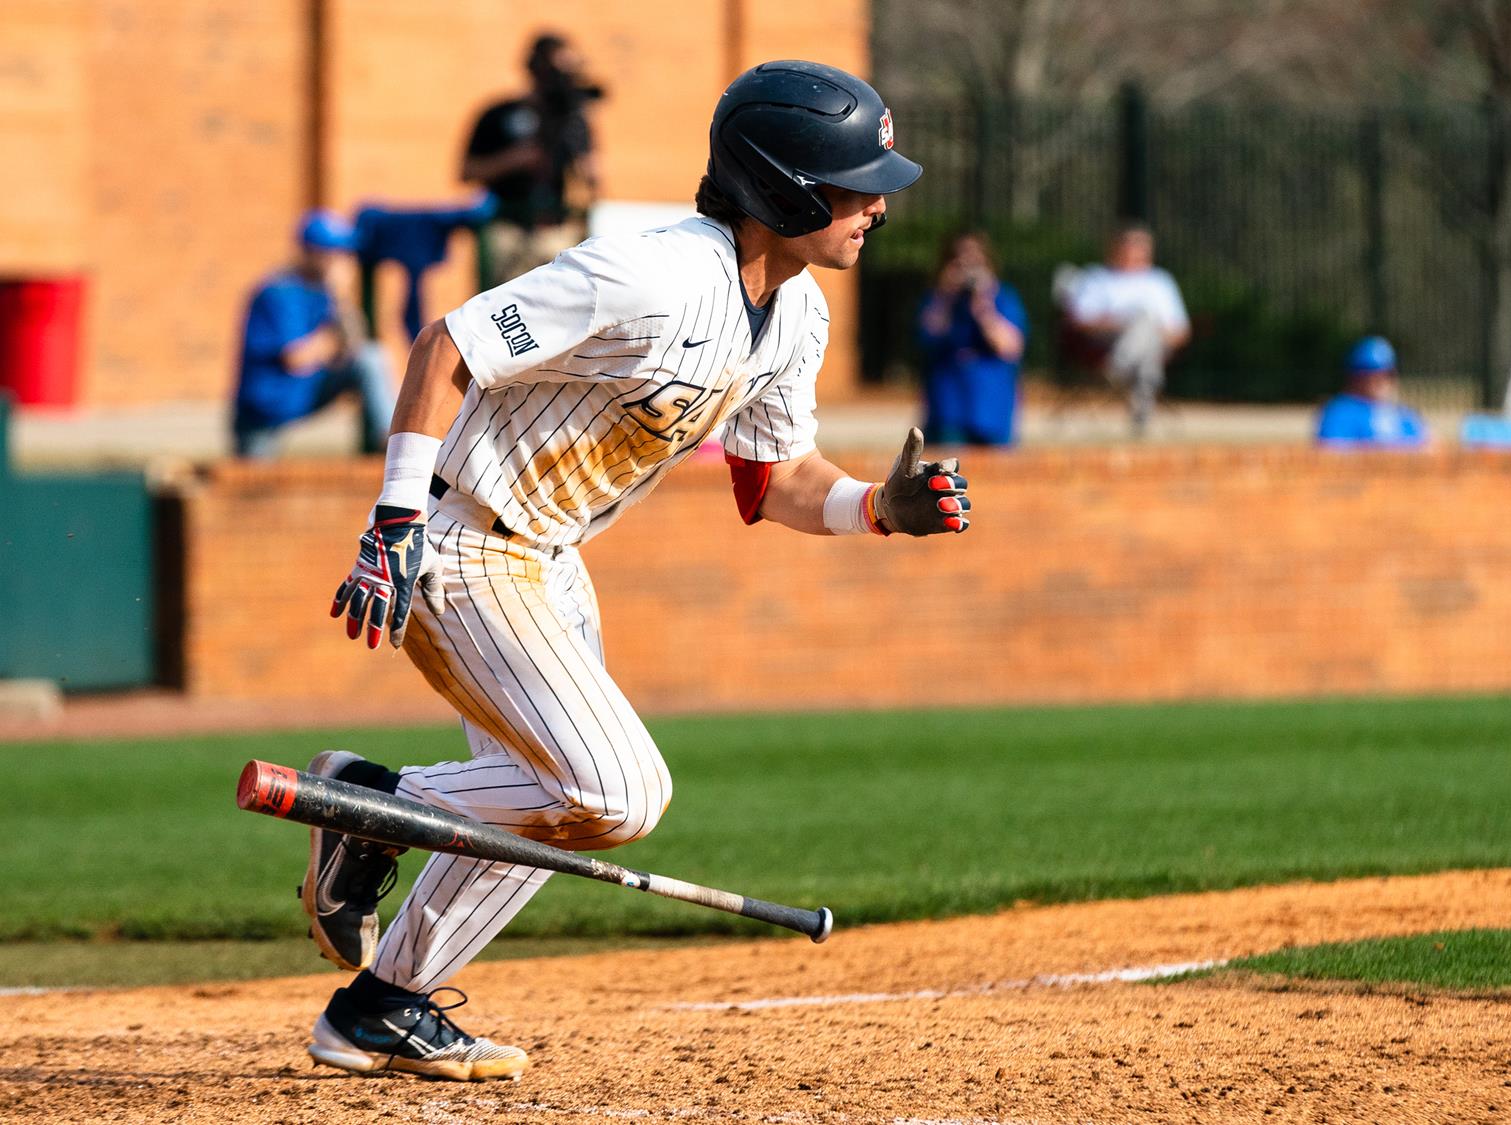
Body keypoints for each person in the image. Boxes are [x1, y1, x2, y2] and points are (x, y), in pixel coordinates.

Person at [298, 60, 964, 1083]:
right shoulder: (648, 275)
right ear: (781, 184)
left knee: (558, 800)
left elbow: (771, 481)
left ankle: (382, 1001)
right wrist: (392, 518)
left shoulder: (794, 315)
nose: (877, 203)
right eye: (854, 180)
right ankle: (373, 803)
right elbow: (449, 344)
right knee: (615, 793)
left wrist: (877, 508)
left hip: (549, 561)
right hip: (463, 542)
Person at [231, 211, 393, 458]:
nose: (342, 260)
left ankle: (390, 439)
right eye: (333, 253)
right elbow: (297, 360)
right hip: (264, 410)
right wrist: (333, 332)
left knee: (370, 358)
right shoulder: (277, 291)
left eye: (344, 253)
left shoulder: (327, 293)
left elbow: (355, 346)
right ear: (310, 253)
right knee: (252, 487)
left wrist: (341, 299)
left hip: (303, 393)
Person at [461, 33, 606, 283]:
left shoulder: (572, 119)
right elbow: (467, 171)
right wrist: (513, 159)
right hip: (506, 227)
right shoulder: (500, 113)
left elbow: (592, 178)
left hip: (555, 230)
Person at [1059, 223, 1190, 435]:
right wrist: (1126, 323)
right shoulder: (1096, 277)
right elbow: (1080, 321)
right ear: (1114, 248)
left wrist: (1147, 331)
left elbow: (1180, 331)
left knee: (1147, 329)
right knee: (1144, 327)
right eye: (1128, 246)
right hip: (1103, 342)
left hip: (1154, 344)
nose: (1133, 253)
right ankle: (1141, 415)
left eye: (1139, 248)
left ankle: (1117, 369)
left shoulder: (1160, 281)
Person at [916, 230, 1027, 446]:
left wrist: (984, 308)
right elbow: (928, 334)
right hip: (948, 409)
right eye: (958, 262)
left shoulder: (1003, 297)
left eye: (975, 261)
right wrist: (946, 295)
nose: (967, 269)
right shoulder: (937, 299)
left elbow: (1009, 347)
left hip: (992, 410)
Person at [1315, 336, 1426, 448]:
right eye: (1371, 373)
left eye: (1388, 373)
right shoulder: (1339, 413)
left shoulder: (1404, 415)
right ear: (1355, 377)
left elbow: (1429, 449)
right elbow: (1332, 456)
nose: (1381, 381)